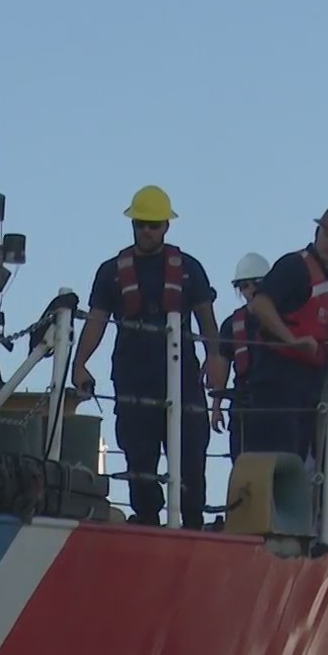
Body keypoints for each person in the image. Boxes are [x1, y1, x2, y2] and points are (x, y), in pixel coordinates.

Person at [70, 186, 221, 528]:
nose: (146, 231)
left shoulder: (189, 269)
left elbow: (206, 319)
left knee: (190, 452)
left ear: (166, 226)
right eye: (140, 224)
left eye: (153, 224)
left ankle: (192, 520)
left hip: (181, 375)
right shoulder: (111, 272)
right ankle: (148, 518)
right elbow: (97, 321)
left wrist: (215, 357)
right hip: (133, 374)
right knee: (139, 453)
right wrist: (80, 364)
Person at [241, 203, 328, 461]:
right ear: (317, 231)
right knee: (274, 455)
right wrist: (291, 339)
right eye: (327, 234)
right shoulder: (294, 265)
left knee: (296, 456)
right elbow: (260, 304)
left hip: (309, 382)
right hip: (277, 376)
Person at [210, 252, 269, 462]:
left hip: (277, 401)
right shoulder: (232, 325)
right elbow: (222, 366)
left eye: (255, 284)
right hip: (243, 404)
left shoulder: (285, 319)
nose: (250, 290)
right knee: (243, 465)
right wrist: (216, 408)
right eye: (244, 286)